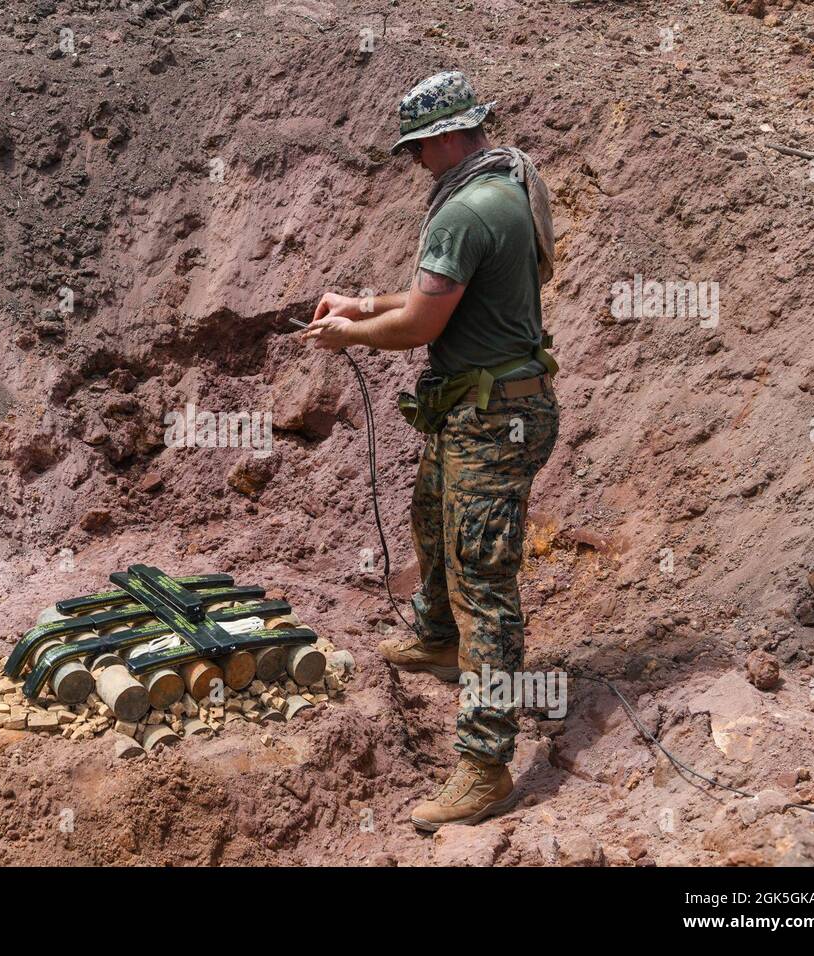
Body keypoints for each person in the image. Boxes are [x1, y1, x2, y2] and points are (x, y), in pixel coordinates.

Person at [301, 71, 560, 830]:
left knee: (486, 586)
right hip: (480, 408)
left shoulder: (468, 209)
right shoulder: (503, 184)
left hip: (494, 418)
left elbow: (421, 326)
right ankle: (439, 640)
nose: (416, 160)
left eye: (417, 146)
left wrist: (349, 333)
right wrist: (362, 303)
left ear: (447, 136)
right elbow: (436, 301)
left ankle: (485, 766)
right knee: (430, 517)